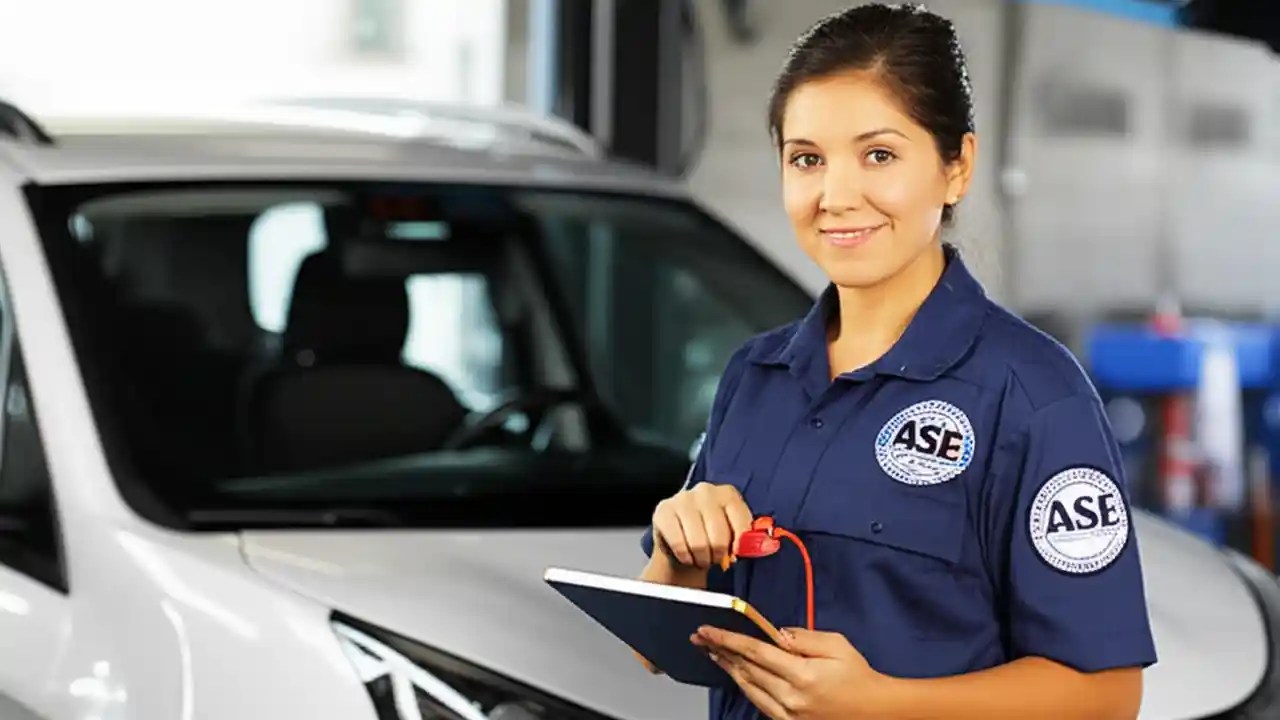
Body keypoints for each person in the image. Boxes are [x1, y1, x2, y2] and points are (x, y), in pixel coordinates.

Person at [636, 3, 1158, 718]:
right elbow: (659, 649)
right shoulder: (755, 378)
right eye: (806, 159)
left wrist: (882, 703)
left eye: (878, 155)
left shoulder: (1033, 396)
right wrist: (679, 555)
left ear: (957, 167)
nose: (836, 196)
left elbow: (1106, 696)